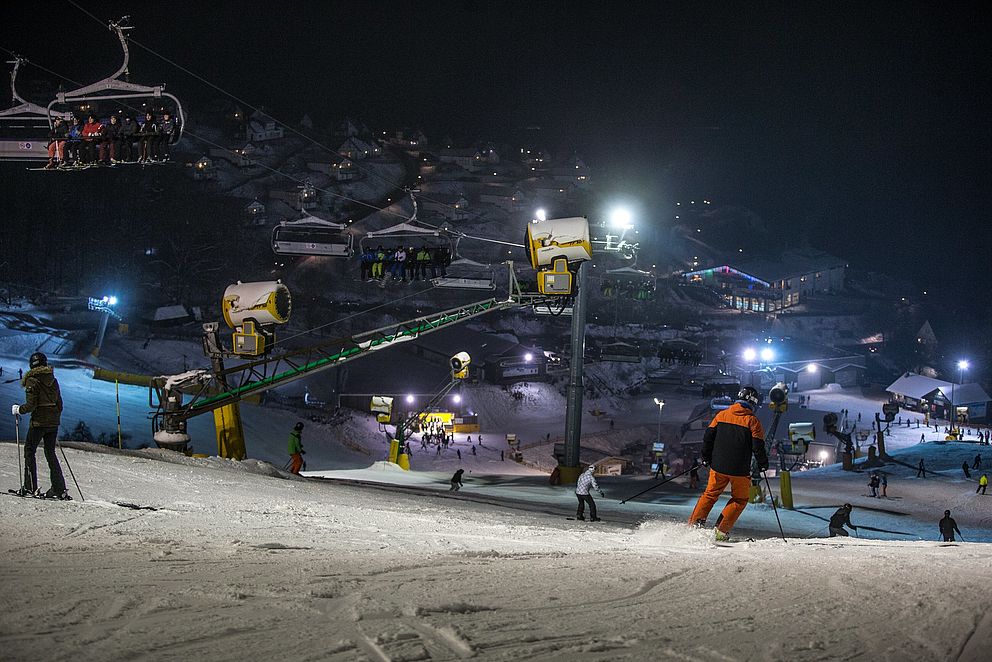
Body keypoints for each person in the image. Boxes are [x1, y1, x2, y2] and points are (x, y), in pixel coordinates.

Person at [688, 386, 768, 542]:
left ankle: (694, 526)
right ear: (753, 403)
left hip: (718, 466)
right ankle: (720, 531)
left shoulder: (721, 415)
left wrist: (705, 457)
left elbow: (708, 438)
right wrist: (762, 464)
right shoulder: (753, 421)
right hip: (740, 470)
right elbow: (758, 446)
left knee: (710, 495)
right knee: (740, 499)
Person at [11, 352, 68, 498]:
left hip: (38, 423)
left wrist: (19, 409)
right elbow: (59, 405)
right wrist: (53, 417)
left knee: (30, 450)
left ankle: (29, 487)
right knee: (50, 452)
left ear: (32, 365)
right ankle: (59, 488)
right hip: (53, 423)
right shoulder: (53, 380)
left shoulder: (32, 380)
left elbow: (31, 405)